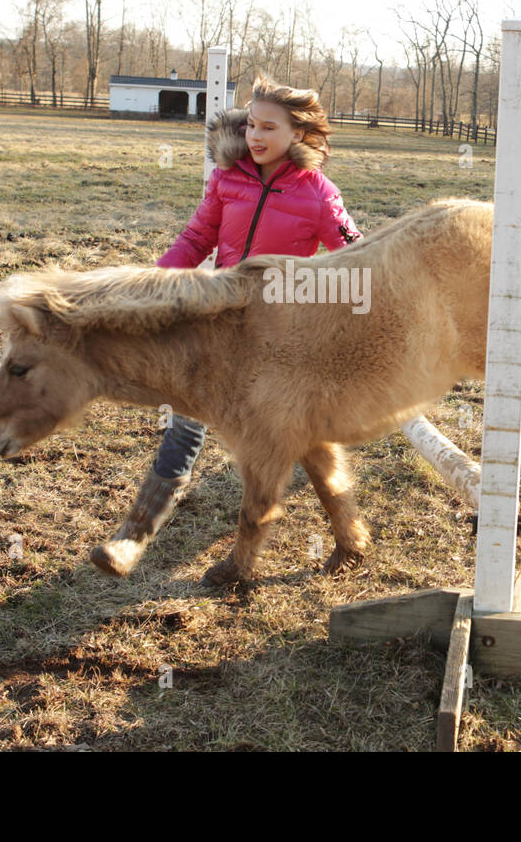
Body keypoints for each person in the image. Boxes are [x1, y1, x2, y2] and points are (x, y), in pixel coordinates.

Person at [90, 74, 363, 576]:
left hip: (279, 338)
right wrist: (151, 285)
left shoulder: (319, 195)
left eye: (269, 128)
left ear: (298, 135)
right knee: (183, 423)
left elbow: (353, 259)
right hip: (217, 323)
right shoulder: (228, 178)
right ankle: (134, 534)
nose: (256, 137)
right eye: (252, 124)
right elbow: (196, 239)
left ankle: (339, 538)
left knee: (290, 446)